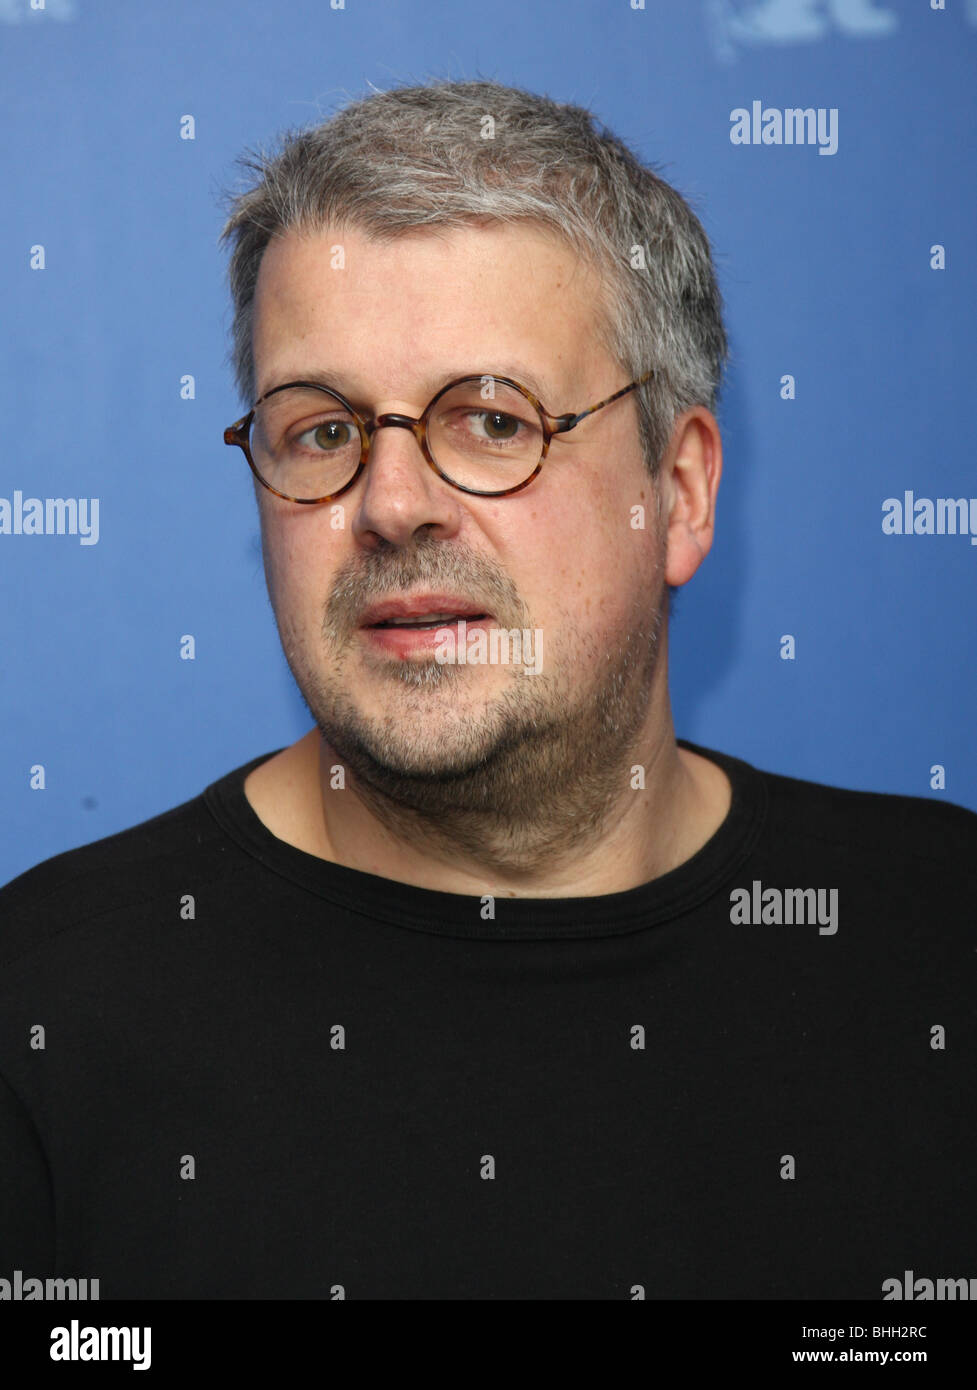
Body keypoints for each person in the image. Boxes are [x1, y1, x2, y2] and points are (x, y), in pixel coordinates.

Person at [1, 79, 974, 1302]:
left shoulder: (938, 941)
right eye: (321, 430)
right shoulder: (45, 1015)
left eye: (491, 421)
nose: (391, 504)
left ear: (676, 495)